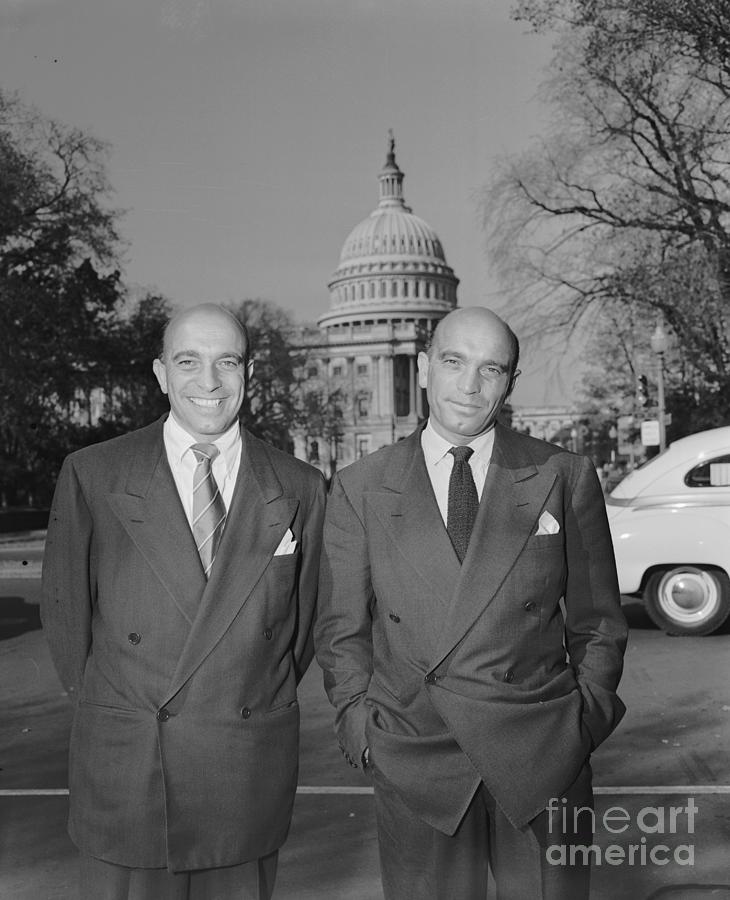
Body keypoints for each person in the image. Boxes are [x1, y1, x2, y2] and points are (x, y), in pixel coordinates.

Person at [315, 306, 628, 900]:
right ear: (424, 367)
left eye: (491, 369)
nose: (470, 385)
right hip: (415, 755)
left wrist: (582, 724)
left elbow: (599, 623)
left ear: (510, 382)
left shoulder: (563, 475)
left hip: (541, 751)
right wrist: (362, 728)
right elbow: (341, 631)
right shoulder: (361, 485)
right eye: (454, 362)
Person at [41, 303, 326, 900]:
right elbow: (67, 621)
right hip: (131, 769)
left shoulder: (300, 486)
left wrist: (238, 687)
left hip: (243, 766)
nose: (210, 382)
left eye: (228, 362)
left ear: (249, 373)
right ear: (161, 373)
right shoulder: (93, 473)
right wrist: (123, 710)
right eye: (189, 361)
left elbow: (301, 633)